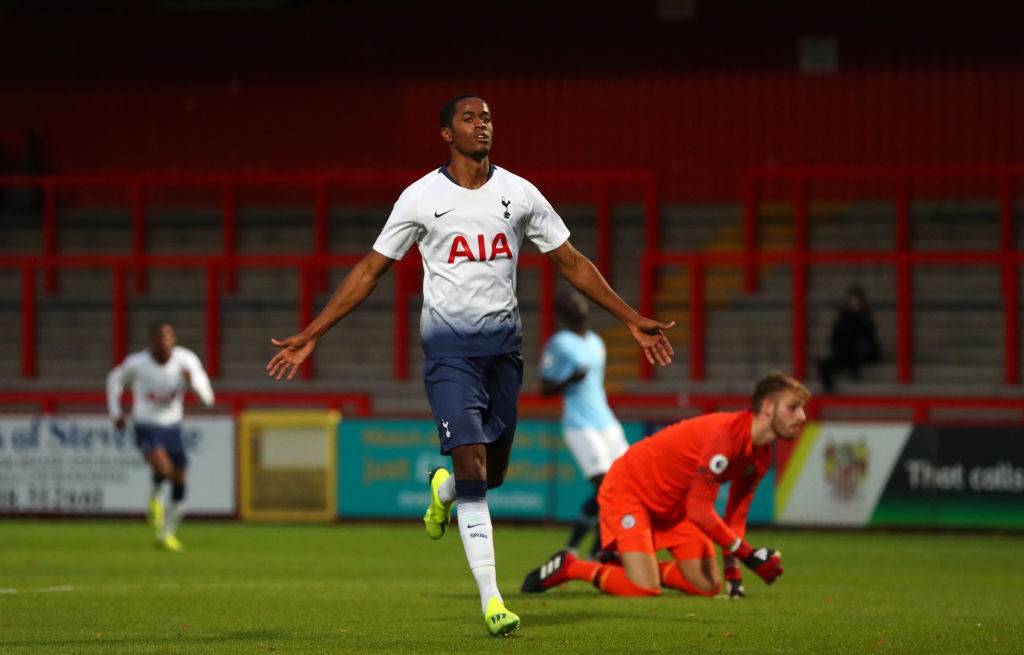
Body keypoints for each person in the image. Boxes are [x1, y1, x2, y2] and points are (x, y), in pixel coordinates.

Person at [265, 94, 675, 636]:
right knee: (475, 469)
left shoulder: (520, 193)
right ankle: (493, 600)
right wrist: (312, 334)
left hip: (503, 355)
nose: (482, 125)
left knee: (489, 474)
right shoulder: (420, 198)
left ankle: (442, 491)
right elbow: (369, 270)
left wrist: (629, 317)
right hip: (449, 355)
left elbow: (571, 262)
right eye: (469, 118)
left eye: (487, 118)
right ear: (446, 133)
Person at [520, 372, 809, 598]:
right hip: (631, 489)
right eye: (793, 408)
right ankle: (572, 567)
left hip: (675, 507)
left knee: (708, 587)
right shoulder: (727, 438)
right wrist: (749, 555)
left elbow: (735, 517)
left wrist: (735, 577)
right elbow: (699, 509)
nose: (802, 417)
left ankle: (632, 566)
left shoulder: (758, 457)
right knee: (644, 589)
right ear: (768, 407)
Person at [107, 322, 215, 552]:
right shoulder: (137, 364)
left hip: (173, 426)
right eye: (159, 338)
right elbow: (114, 380)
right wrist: (116, 413)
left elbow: (208, 399)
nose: (163, 343)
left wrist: (193, 383)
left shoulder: (186, 361)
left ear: (173, 340)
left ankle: (167, 534)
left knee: (179, 478)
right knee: (163, 468)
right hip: (146, 424)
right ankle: (154, 500)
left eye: (167, 338)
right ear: (152, 342)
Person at [540, 291, 628, 560]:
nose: (577, 305)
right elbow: (545, 388)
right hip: (580, 424)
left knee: (624, 486)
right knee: (606, 488)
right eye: (570, 303)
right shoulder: (559, 344)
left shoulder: (597, 342)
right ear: (563, 314)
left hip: (606, 421)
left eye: (579, 301)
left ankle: (594, 551)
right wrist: (568, 380)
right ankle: (580, 547)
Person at [817, 285, 881, 393]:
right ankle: (829, 389)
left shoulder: (865, 318)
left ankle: (853, 371)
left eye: (856, 300)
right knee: (824, 365)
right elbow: (835, 338)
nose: (854, 303)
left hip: (859, 353)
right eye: (852, 299)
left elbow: (871, 341)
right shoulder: (843, 317)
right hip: (843, 353)